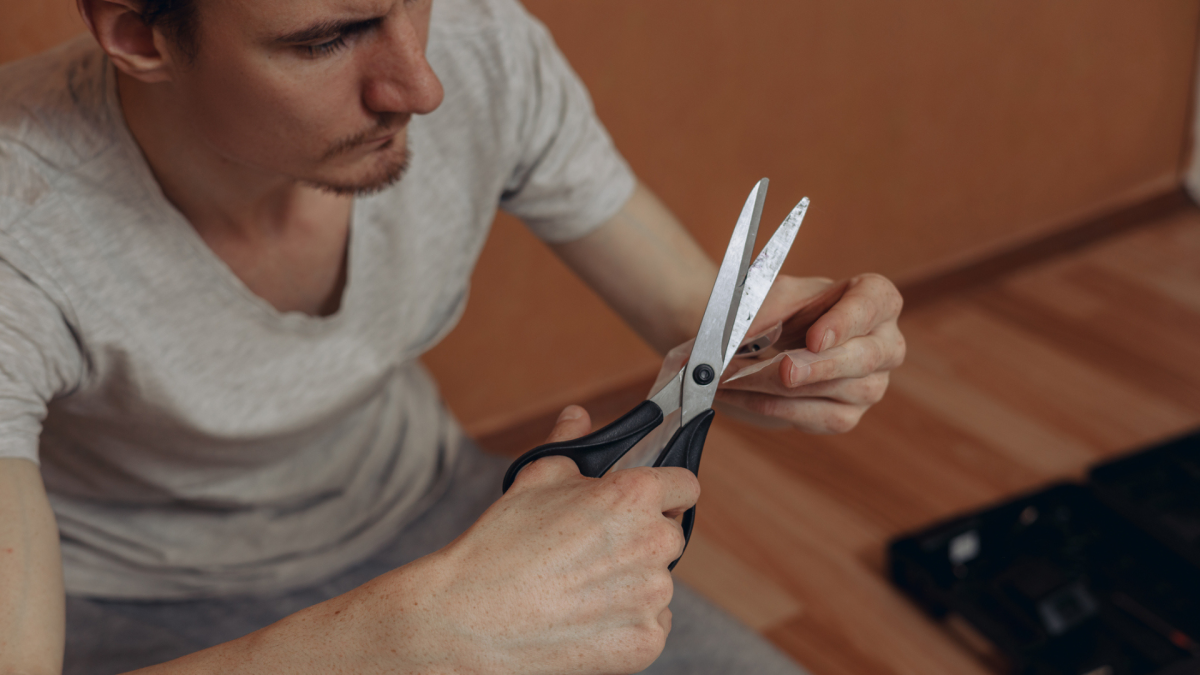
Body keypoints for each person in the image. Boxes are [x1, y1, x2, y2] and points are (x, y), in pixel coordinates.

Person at [0, 0, 906, 672]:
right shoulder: (19, 215)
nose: (422, 86)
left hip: (440, 517)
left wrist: (790, 352)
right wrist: (411, 632)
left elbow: (692, 314)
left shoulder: (478, 50)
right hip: (140, 606)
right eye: (324, 38)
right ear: (140, 35)